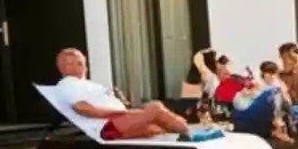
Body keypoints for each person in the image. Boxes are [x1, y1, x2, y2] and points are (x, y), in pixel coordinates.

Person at [54, 48, 221, 141]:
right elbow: (81, 108)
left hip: (117, 121)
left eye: (82, 63)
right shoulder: (68, 84)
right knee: (154, 107)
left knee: (156, 127)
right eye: (77, 63)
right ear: (64, 67)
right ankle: (192, 135)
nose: (83, 67)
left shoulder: (84, 84)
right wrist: (117, 112)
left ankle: (185, 129)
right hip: (109, 125)